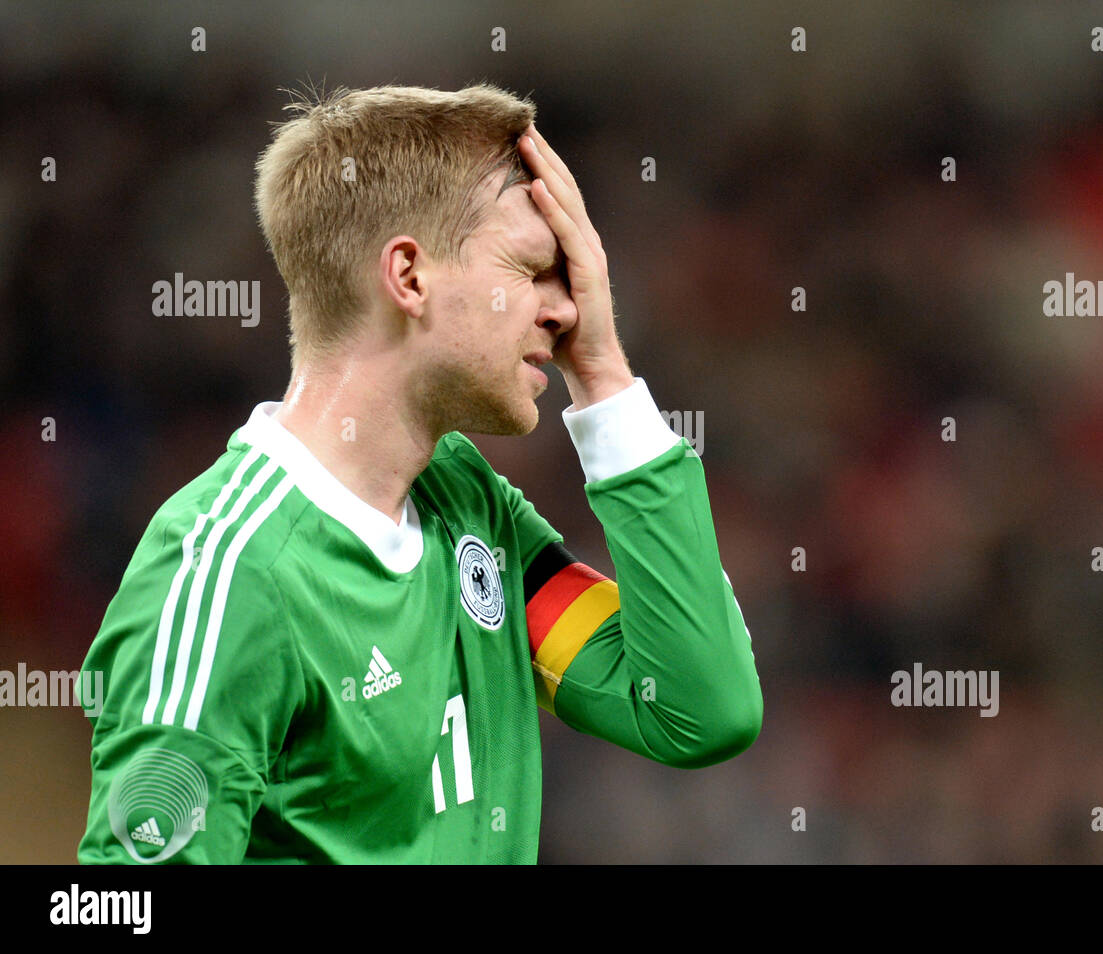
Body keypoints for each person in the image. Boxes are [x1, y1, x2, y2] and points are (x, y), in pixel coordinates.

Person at [76, 83, 762, 863]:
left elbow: (699, 711)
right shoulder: (231, 574)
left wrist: (604, 375)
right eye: (535, 268)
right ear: (408, 275)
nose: (567, 308)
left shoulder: (469, 508)